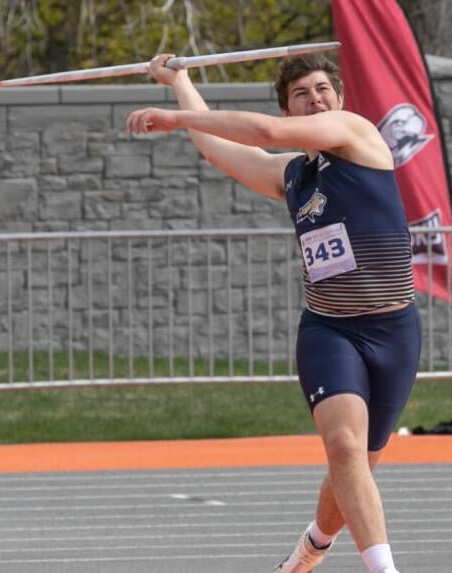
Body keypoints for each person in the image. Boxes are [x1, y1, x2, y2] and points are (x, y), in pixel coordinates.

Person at [127, 52, 421, 573]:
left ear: (339, 98)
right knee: (344, 447)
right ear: (290, 111)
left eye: (322, 89)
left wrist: (175, 118)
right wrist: (181, 84)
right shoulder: (292, 177)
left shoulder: (356, 135)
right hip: (330, 331)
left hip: (393, 330)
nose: (315, 99)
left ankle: (313, 543)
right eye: (301, 95)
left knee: (356, 467)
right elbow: (222, 151)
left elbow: (261, 127)